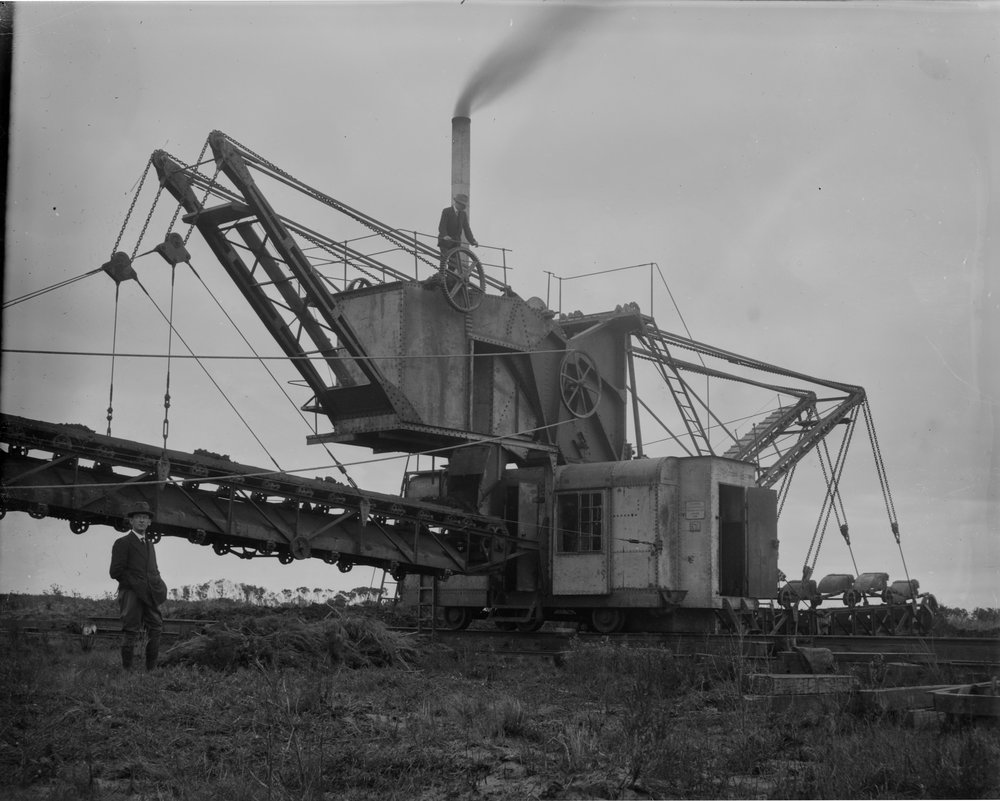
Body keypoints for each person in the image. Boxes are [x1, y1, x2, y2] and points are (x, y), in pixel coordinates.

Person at [109, 501, 168, 671]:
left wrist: (159, 584)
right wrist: (136, 584)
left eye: (145, 518)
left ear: (149, 522)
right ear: (131, 521)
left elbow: (153, 569)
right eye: (138, 518)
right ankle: (127, 672)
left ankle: (151, 671)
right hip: (132, 594)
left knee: (156, 628)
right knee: (131, 631)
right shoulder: (122, 542)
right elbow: (116, 572)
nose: (142, 521)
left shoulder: (149, 544)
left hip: (150, 594)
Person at [437, 193, 478, 265]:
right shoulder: (446, 211)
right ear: (456, 203)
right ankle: (442, 275)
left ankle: (449, 276)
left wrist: (472, 241)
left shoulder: (463, 214)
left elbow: (467, 229)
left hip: (455, 242)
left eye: (464, 205)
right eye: (462, 205)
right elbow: (442, 226)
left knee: (454, 264)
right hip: (445, 242)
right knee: (444, 260)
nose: (463, 207)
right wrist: (445, 235)